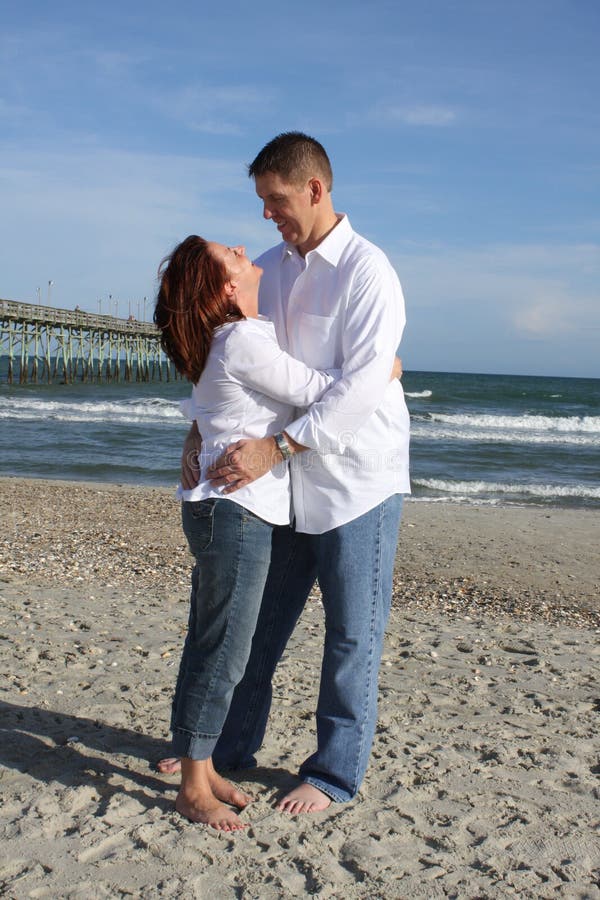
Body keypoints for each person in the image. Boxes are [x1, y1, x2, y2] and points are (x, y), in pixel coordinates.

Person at [163, 131, 411, 814]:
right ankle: (221, 749)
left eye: (276, 200)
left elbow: (358, 391)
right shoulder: (267, 267)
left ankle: (333, 774)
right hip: (277, 490)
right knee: (258, 627)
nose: (267, 215)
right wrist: (198, 428)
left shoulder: (368, 270)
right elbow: (227, 362)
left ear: (315, 190)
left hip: (358, 478)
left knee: (351, 633)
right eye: (261, 203)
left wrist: (276, 449)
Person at [154, 234, 342, 829]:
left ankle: (202, 766)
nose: (243, 246)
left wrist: (196, 438)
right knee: (226, 648)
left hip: (222, 508)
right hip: (234, 512)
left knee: (213, 639)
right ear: (229, 289)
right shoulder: (240, 339)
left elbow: (210, 408)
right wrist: (381, 370)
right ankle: (192, 787)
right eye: (231, 254)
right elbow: (321, 395)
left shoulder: (228, 338)